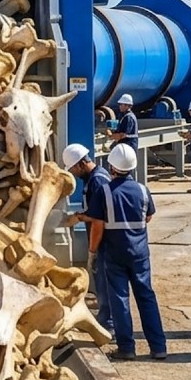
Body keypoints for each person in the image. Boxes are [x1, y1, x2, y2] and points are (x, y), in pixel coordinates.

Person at [87, 143, 167, 360]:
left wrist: (92, 252)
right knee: (146, 296)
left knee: (120, 299)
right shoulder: (143, 189)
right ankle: (159, 347)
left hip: (114, 254)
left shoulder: (105, 191)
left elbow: (97, 225)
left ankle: (127, 348)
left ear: (111, 166)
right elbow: (148, 216)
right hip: (140, 253)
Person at [60, 143, 115, 334]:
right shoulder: (92, 179)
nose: (73, 173)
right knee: (102, 282)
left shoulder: (97, 181)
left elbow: (99, 218)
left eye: (73, 169)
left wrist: (92, 249)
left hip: (104, 238)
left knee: (104, 283)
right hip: (100, 237)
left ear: (82, 163)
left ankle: (107, 324)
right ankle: (105, 320)